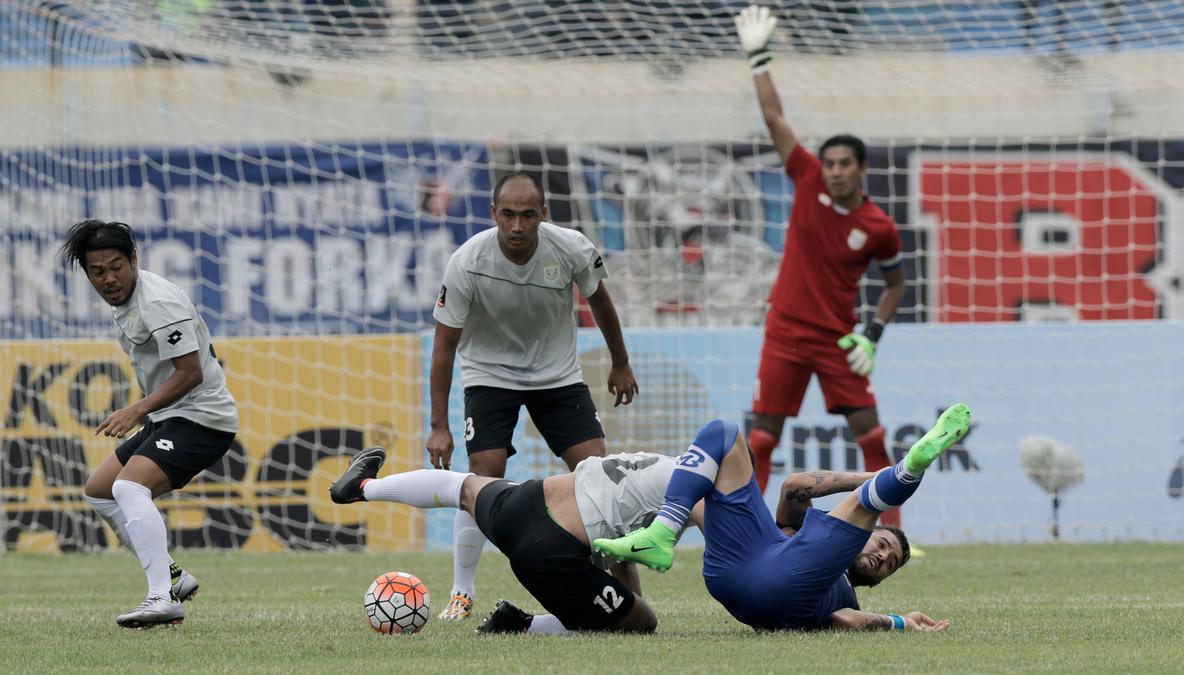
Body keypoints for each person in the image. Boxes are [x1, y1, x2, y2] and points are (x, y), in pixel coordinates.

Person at [426, 171, 639, 620]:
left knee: (596, 474)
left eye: (527, 215)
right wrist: (439, 425)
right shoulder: (467, 262)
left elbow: (601, 302)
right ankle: (461, 593)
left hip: (557, 375)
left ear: (544, 213)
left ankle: (612, 585)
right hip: (489, 374)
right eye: (508, 215)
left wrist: (620, 362)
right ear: (493, 213)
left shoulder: (571, 248)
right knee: (484, 473)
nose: (517, 226)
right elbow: (444, 346)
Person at [735, 5, 908, 528]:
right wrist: (759, 59)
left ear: (861, 169)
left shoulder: (878, 225)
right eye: (829, 163)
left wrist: (872, 335)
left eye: (843, 164)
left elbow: (896, 283)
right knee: (762, 437)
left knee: (872, 435)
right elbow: (774, 119)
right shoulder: (806, 178)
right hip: (785, 330)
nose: (833, 171)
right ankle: (751, 534)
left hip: (837, 338)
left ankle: (893, 534)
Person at [594, 404, 970, 632]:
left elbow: (845, 620)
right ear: (868, 537)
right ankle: (661, 532)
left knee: (863, 505)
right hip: (738, 561)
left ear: (877, 582)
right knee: (724, 435)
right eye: (884, 544)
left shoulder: (846, 594)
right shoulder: (798, 528)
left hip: (774, 588)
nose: (882, 557)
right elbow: (794, 486)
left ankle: (910, 468)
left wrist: (900, 621)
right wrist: (871, 477)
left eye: (889, 565)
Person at [64, 220, 238, 628]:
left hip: (203, 418)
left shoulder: (157, 301)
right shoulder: (128, 300)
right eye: (97, 271)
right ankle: (174, 577)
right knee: (100, 491)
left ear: (134, 259)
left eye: (116, 267)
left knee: (129, 488)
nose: (109, 279)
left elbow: (190, 373)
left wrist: (135, 410)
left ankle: (160, 597)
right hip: (171, 416)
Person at [329, 447, 700, 634]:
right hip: (550, 555)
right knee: (643, 622)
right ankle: (523, 625)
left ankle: (363, 487)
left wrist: (625, 593)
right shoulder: (699, 490)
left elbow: (623, 546)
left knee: (463, 488)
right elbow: (723, 556)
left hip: (526, 501)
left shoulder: (663, 463)